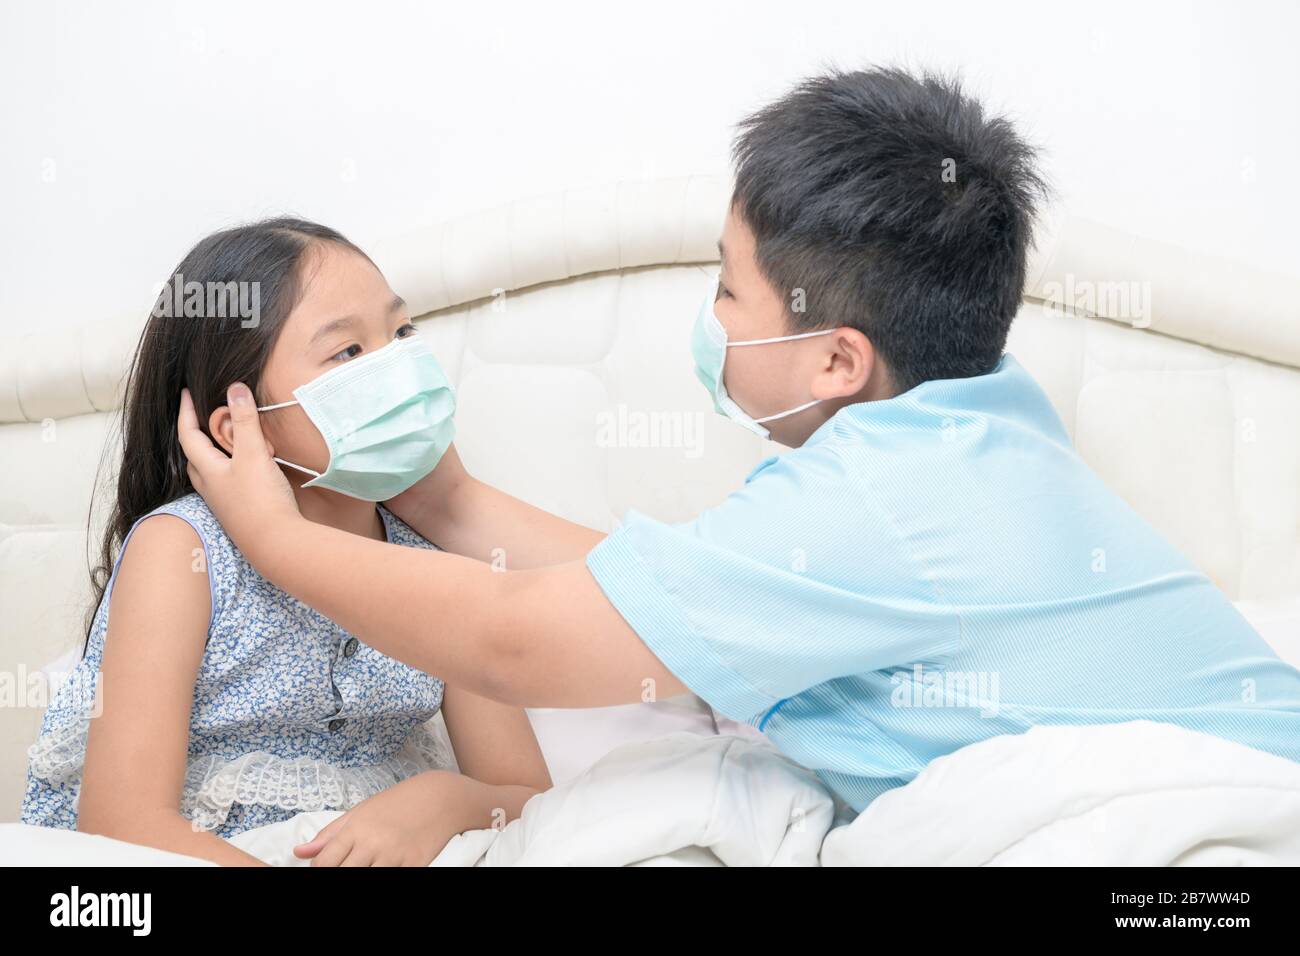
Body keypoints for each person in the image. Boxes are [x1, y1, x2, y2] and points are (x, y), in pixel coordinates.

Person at [177, 67, 1300, 821]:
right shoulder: (975, 423)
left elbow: (520, 642)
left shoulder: (874, 505)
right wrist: (448, 500)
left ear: (834, 360)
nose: (711, 317)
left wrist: (276, 538)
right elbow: (658, 591)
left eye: (729, 288)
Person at [22, 218, 551, 866]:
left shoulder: (437, 551)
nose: (399, 367)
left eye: (402, 332)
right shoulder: (181, 553)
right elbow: (121, 823)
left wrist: (442, 800)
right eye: (349, 352)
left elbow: (526, 794)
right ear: (242, 428)